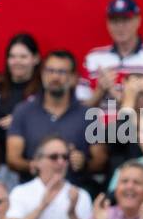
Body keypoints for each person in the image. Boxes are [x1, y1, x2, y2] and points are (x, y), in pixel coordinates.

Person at [6, 50, 101, 182]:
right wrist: (35, 165)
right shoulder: (23, 111)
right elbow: (12, 159)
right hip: (32, 193)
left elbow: (101, 160)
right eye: (50, 71)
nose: (55, 77)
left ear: (74, 78)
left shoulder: (90, 115)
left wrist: (84, 163)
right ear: (42, 74)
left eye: (62, 72)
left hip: (76, 192)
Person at [0, 33, 41, 156]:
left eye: (23, 57)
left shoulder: (44, 93)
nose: (17, 61)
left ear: (36, 58)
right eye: (12, 56)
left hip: (31, 159)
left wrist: (20, 121)